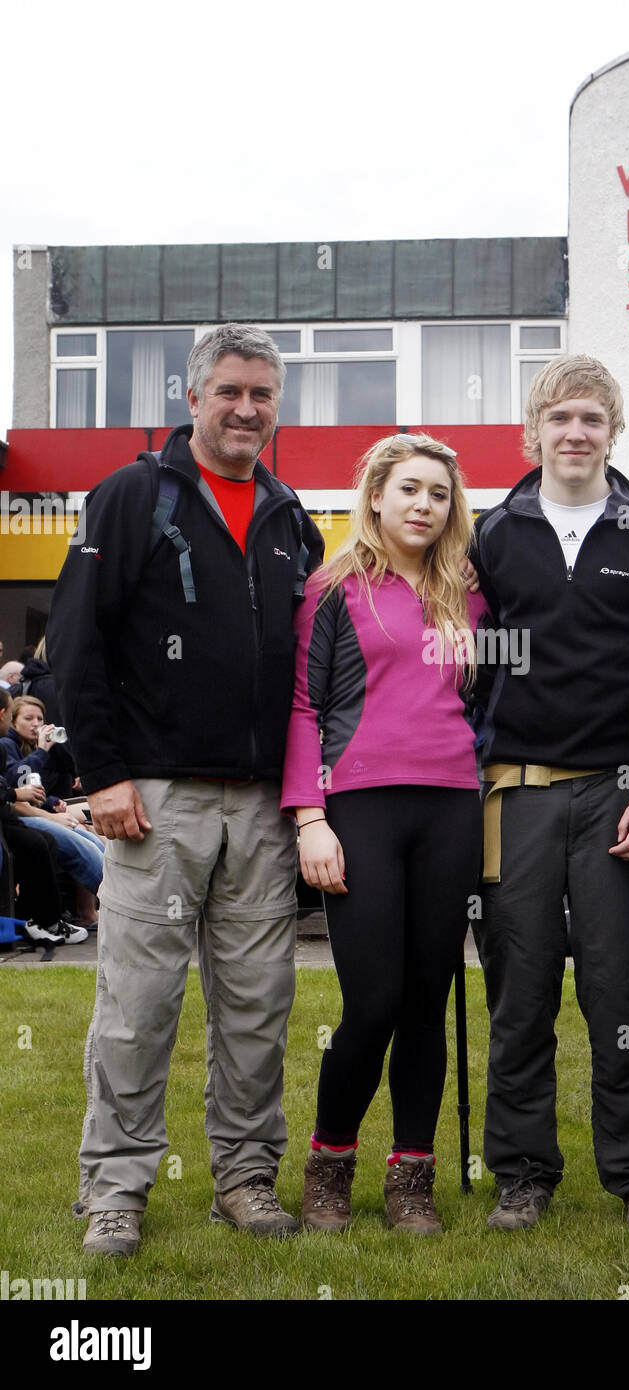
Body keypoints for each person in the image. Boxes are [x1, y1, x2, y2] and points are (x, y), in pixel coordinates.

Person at [47, 323, 324, 1258]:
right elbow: (76, 646)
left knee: (259, 1003)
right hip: (155, 799)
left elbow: (309, 675)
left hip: (261, 805)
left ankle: (245, 1179)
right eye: (230, 392)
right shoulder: (131, 496)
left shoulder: (291, 516)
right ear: (194, 398)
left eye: (262, 395)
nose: (246, 409)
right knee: (138, 1005)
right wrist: (106, 774)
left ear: (277, 407)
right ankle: (115, 1189)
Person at [470, 355, 629, 1232]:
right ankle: (522, 1172)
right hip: (512, 795)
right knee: (516, 990)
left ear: (614, 431)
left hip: (618, 795)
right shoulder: (491, 533)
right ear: (535, 431)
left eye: (592, 420)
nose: (575, 434)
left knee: (618, 988)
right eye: (559, 419)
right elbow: (467, 669)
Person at [282, 432, 484, 1235]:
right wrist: (309, 817)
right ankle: (329, 1165)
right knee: (372, 1000)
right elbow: (302, 705)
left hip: (451, 807)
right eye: (410, 489)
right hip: (357, 807)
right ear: (375, 496)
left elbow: (488, 701)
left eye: (438, 494)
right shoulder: (332, 587)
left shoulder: (468, 593)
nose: (424, 505)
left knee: (427, 999)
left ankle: (412, 1179)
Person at [2, 693, 103, 927]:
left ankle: (98, 907)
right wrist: (42, 751)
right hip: (14, 819)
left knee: (88, 836)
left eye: (40, 718)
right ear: (12, 719)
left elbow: (34, 791)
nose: (36, 723)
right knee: (79, 838)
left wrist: (52, 802)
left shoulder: (24, 746)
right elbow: (15, 781)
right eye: (28, 718)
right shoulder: (7, 744)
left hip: (27, 814)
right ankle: (115, 900)